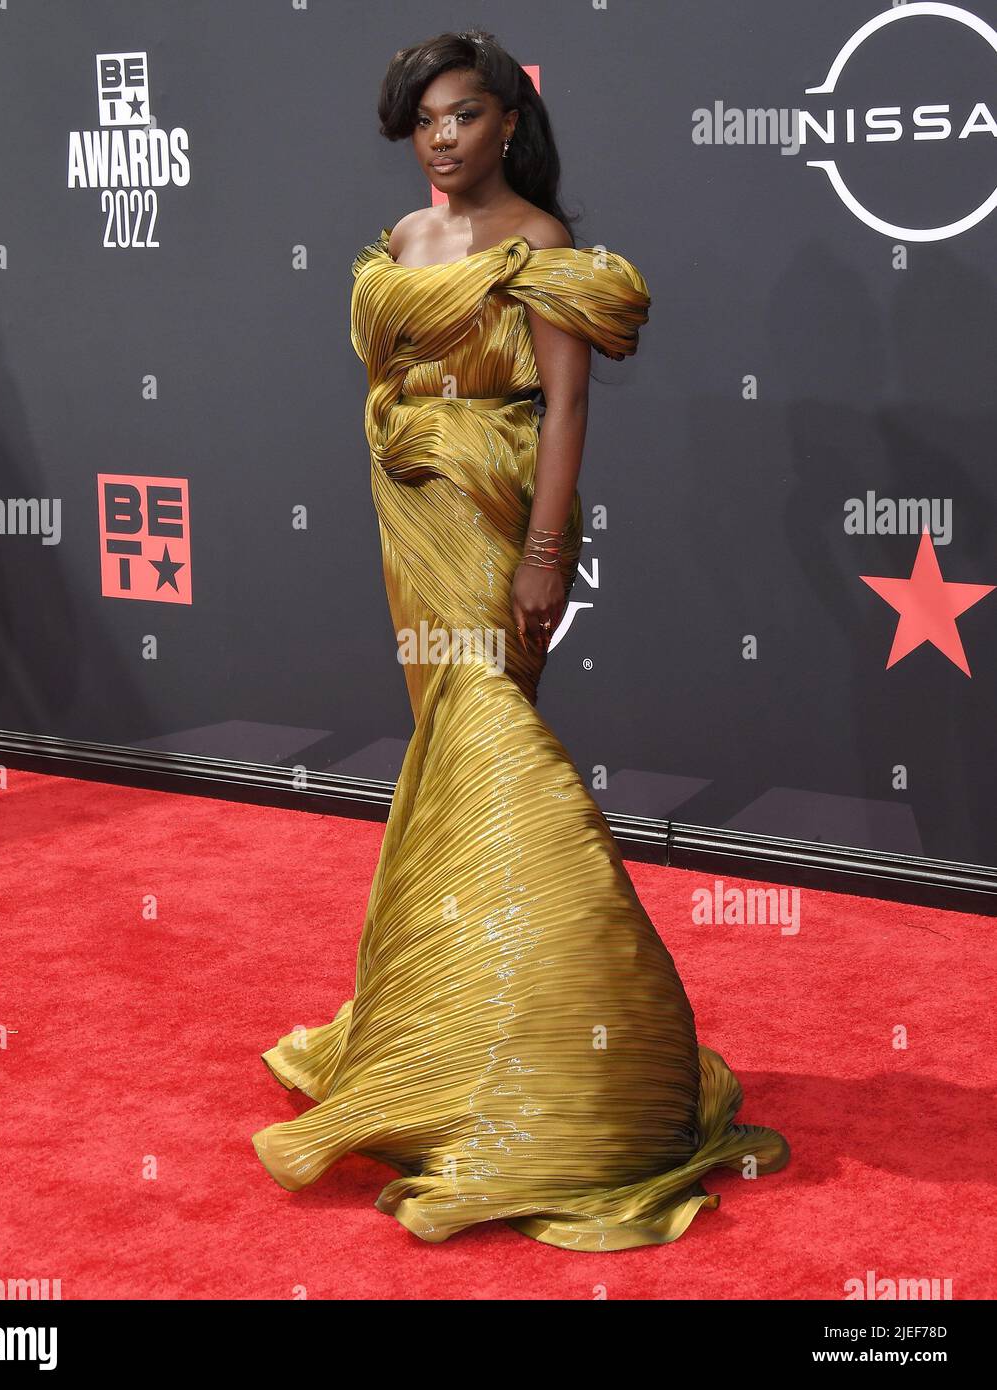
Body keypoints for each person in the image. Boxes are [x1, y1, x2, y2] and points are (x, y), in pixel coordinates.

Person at [252, 28, 789, 1250]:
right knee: (450, 764)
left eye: (462, 117)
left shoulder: (541, 246)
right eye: (424, 120)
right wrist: (404, 436)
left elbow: (567, 408)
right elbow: (383, 371)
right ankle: (459, 1030)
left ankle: (583, 1060)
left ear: (510, 123)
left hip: (499, 516)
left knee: (493, 754)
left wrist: (546, 554)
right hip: (413, 511)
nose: (441, 138)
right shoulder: (399, 244)